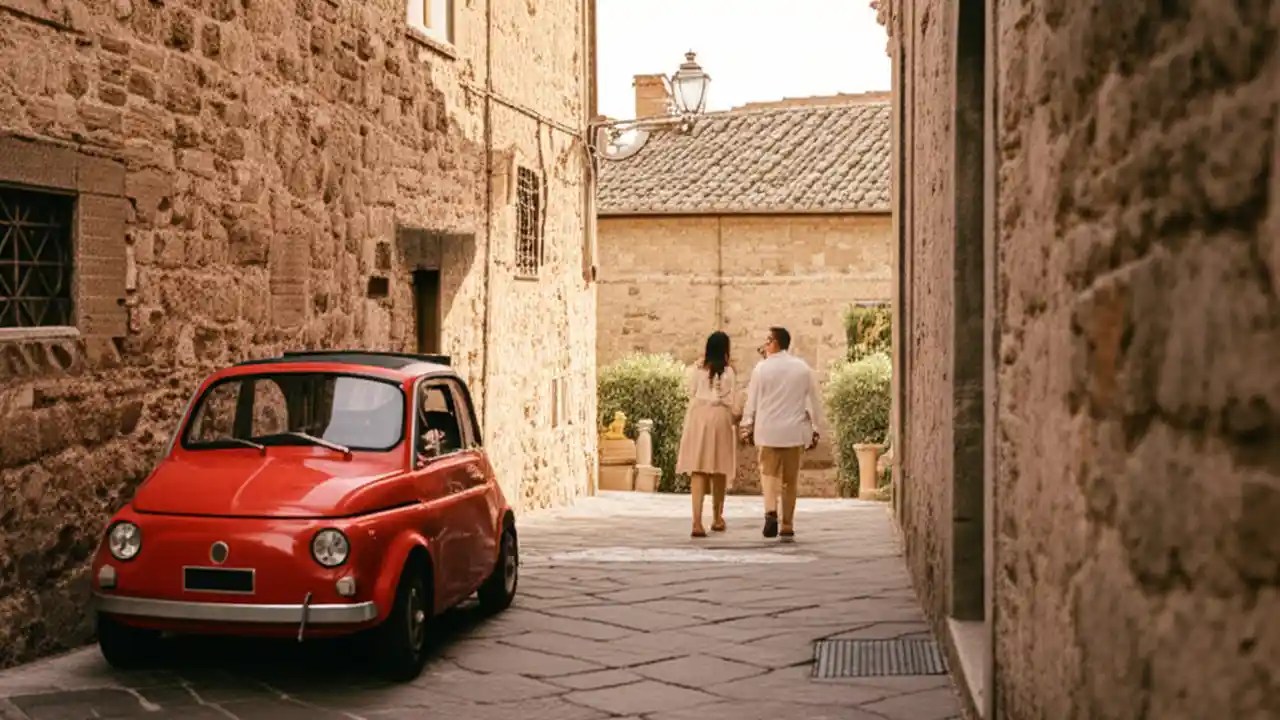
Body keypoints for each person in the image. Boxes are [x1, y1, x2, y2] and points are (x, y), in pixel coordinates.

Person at [739, 326, 823, 542]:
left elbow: (752, 401)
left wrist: (747, 424)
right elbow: (813, 401)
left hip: (767, 431)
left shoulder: (761, 369)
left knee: (768, 475)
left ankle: (770, 512)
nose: (765, 346)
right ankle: (787, 524)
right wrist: (815, 427)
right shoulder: (803, 369)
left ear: (775, 342)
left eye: (767, 341)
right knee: (790, 480)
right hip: (793, 432)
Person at [675, 331, 738, 538]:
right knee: (719, 468)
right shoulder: (729, 372)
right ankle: (717, 517)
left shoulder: (696, 370)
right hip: (720, 416)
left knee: (698, 468)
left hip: (699, 416)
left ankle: (696, 521)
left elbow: (690, 390)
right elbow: (731, 397)